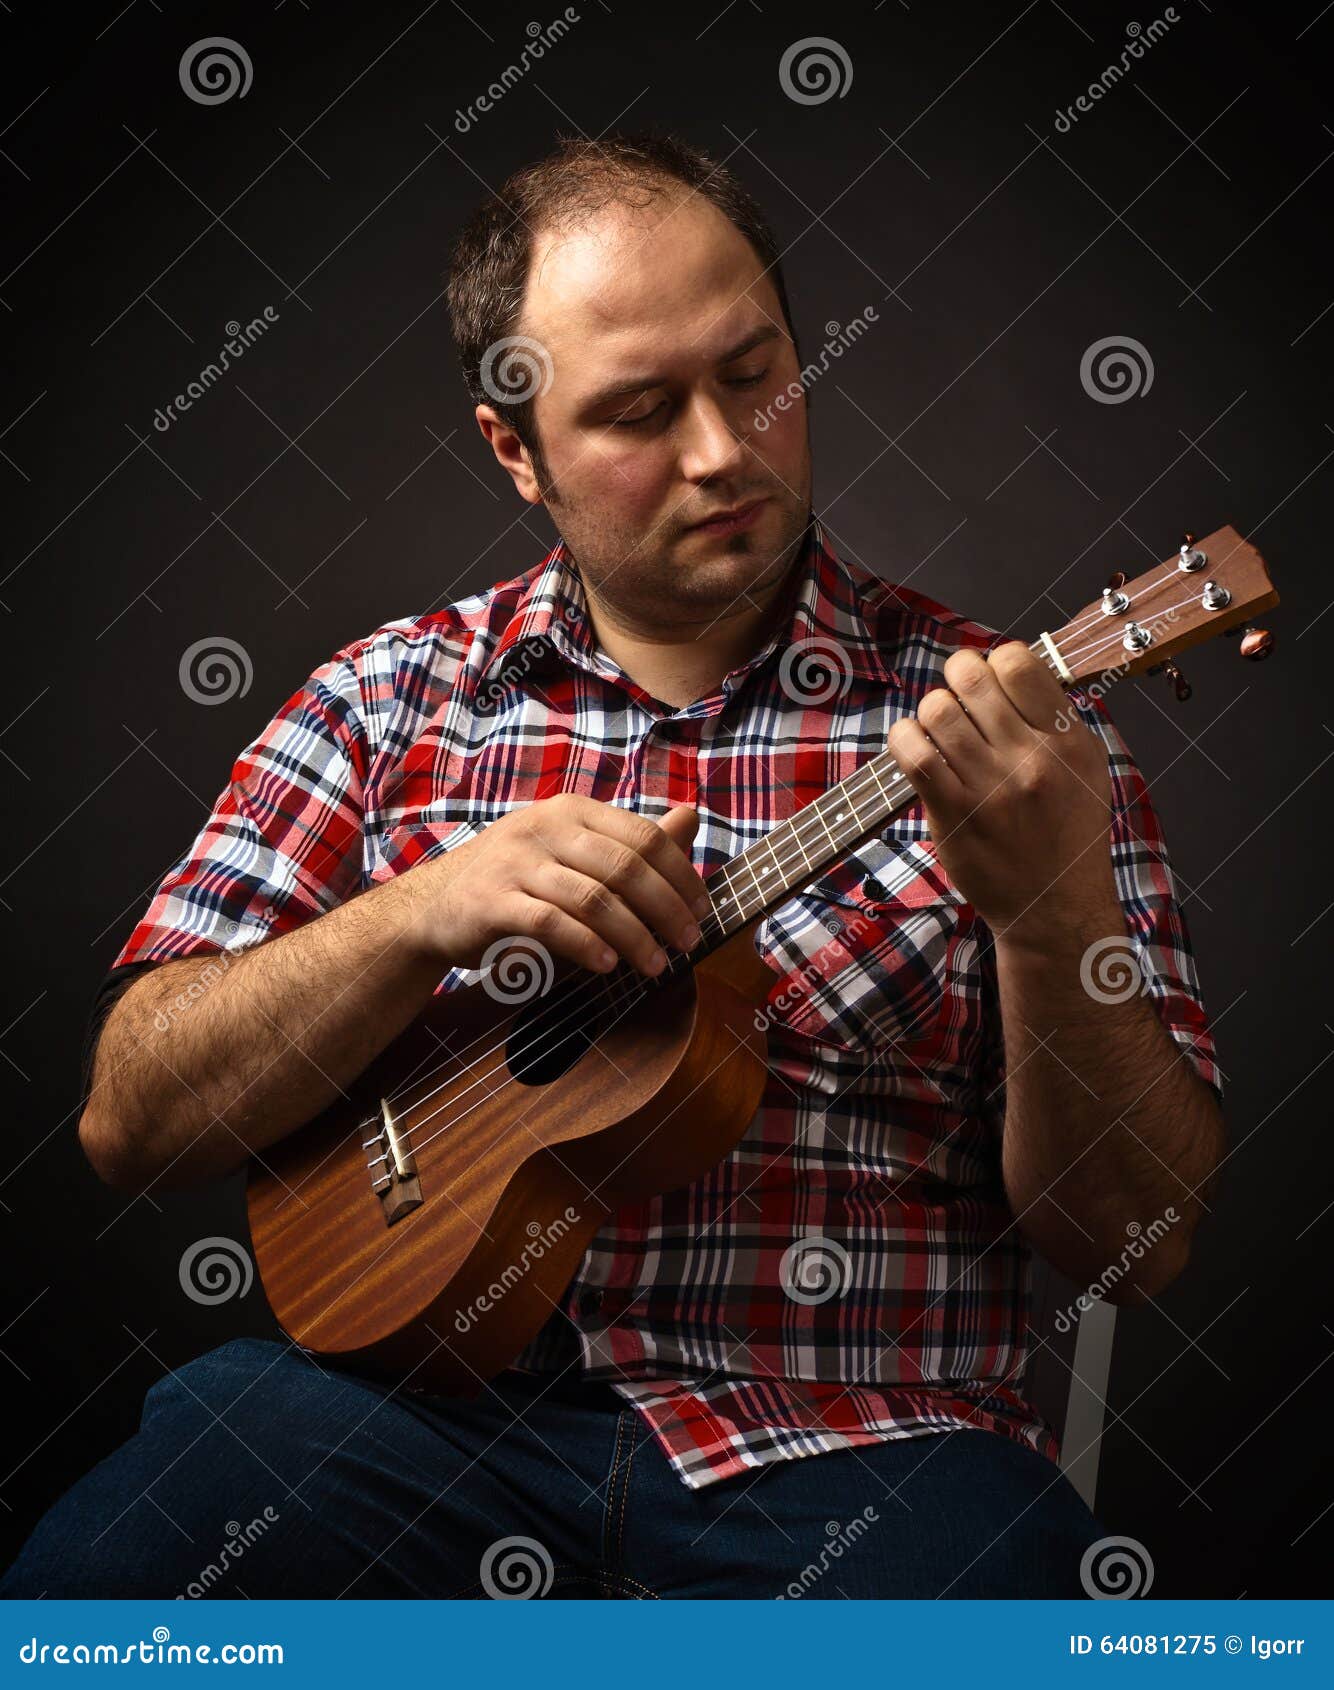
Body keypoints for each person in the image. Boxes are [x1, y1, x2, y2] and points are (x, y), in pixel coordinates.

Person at [1, 131, 1225, 1600]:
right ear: (514, 449)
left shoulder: (1012, 740)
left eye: (753, 374)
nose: (722, 451)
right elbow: (131, 1118)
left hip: (864, 1456)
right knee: (124, 1568)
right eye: (640, 410)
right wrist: (417, 915)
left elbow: (1134, 1241)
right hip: (413, 1428)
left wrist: (1045, 908)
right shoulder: (384, 704)